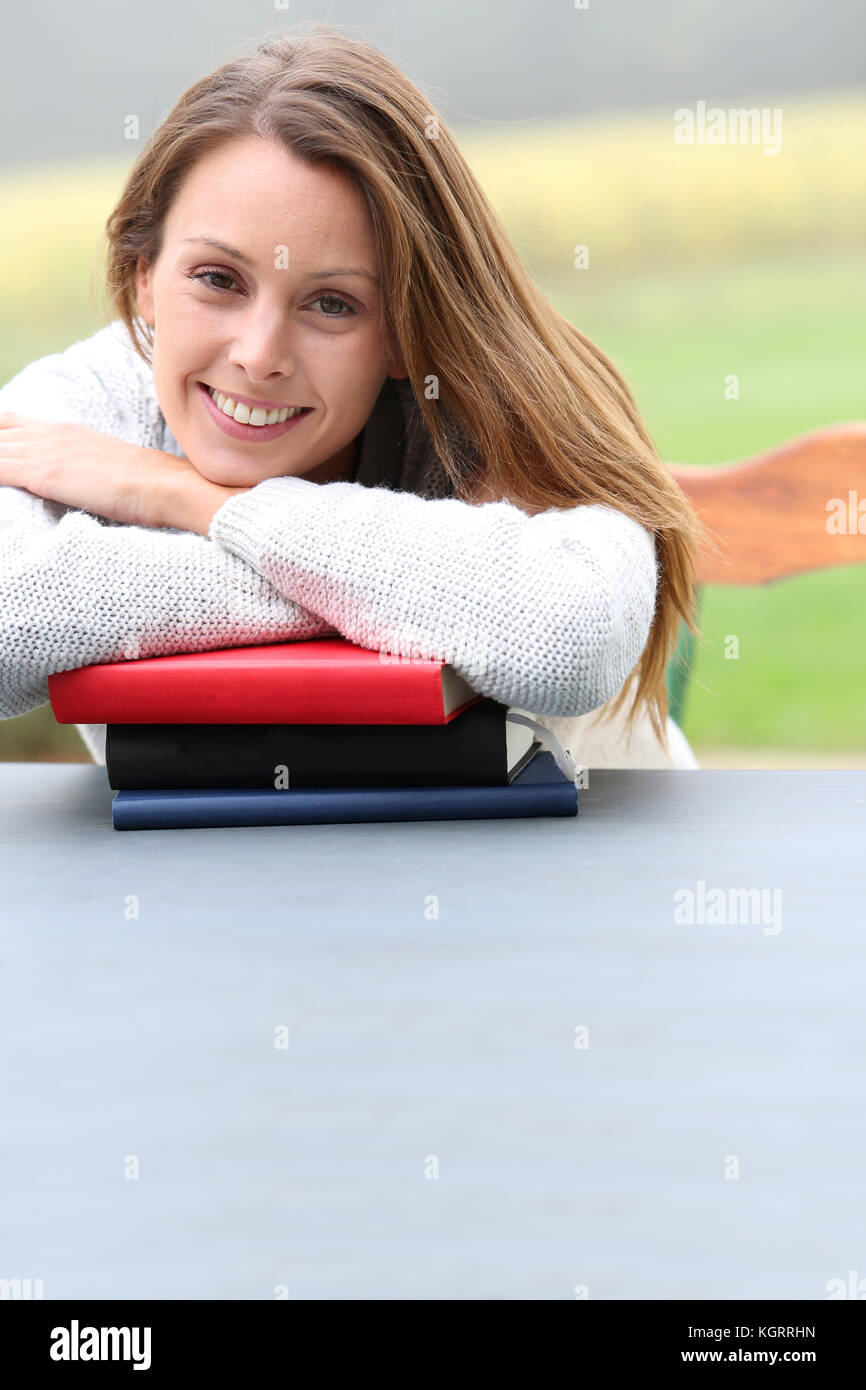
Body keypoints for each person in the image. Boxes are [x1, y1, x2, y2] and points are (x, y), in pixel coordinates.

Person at [0, 23, 714, 770]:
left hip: (568, 871)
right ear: (143, 276)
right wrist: (410, 598)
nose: (258, 355)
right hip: (231, 876)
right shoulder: (83, 400)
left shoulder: (483, 416)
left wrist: (190, 500)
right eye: (218, 279)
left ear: (407, 333)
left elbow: (563, 635)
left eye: (332, 304)